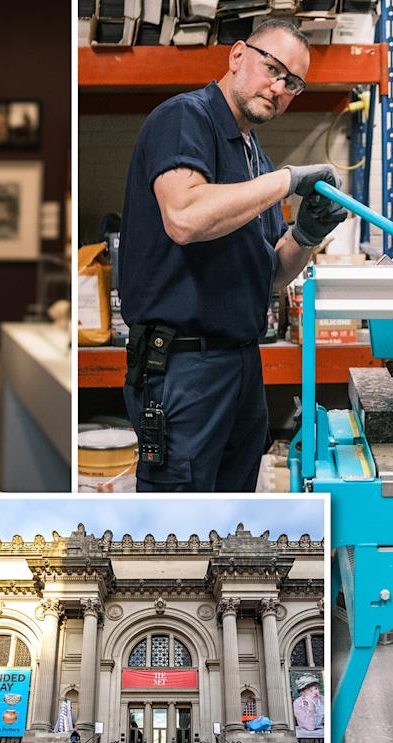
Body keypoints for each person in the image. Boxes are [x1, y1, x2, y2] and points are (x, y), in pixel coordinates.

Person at [119, 18, 348, 492]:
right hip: (183, 367)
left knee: (232, 523)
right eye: (273, 68)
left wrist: (305, 236)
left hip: (240, 364)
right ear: (238, 55)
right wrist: (286, 180)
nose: (280, 87)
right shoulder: (186, 118)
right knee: (176, 531)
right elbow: (184, 217)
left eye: (294, 83)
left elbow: (267, 277)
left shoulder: (252, 155)